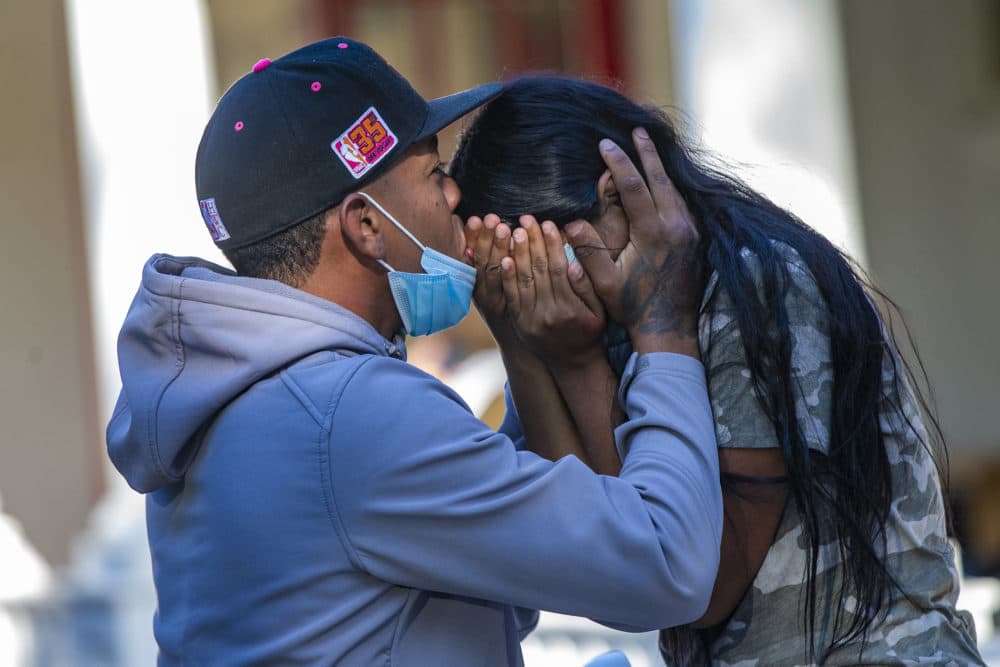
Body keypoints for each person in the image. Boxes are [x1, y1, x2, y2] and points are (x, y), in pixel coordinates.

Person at [105, 38, 725, 666]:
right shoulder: (351, 414)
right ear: (366, 225)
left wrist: (522, 340)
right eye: (433, 174)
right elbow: (665, 565)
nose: (456, 197)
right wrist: (663, 321)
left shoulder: (234, 396)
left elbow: (497, 579)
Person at [449, 75, 985, 665]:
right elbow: (594, 551)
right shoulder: (594, 318)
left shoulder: (758, 286)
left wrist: (581, 363)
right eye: (509, 276)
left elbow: (687, 585)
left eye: (541, 262)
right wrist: (522, 343)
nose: (534, 291)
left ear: (615, 194)